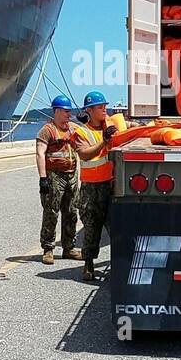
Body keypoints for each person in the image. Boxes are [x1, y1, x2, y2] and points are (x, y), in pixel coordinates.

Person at [70, 91, 115, 282]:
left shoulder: (111, 127)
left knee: (116, 227)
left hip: (111, 185)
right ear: (89, 110)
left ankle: (121, 262)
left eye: (104, 106)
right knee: (91, 228)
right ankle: (88, 264)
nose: (104, 109)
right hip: (91, 189)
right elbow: (85, 154)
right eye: (99, 107)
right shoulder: (81, 133)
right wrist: (104, 141)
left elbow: (130, 128)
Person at [36, 94, 82, 265]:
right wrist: (43, 178)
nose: (68, 115)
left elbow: (86, 137)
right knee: (51, 212)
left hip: (71, 174)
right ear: (56, 111)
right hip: (54, 175)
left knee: (71, 212)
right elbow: (40, 153)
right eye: (65, 111)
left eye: (69, 112)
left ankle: (69, 247)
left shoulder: (73, 129)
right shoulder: (48, 130)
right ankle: (48, 248)